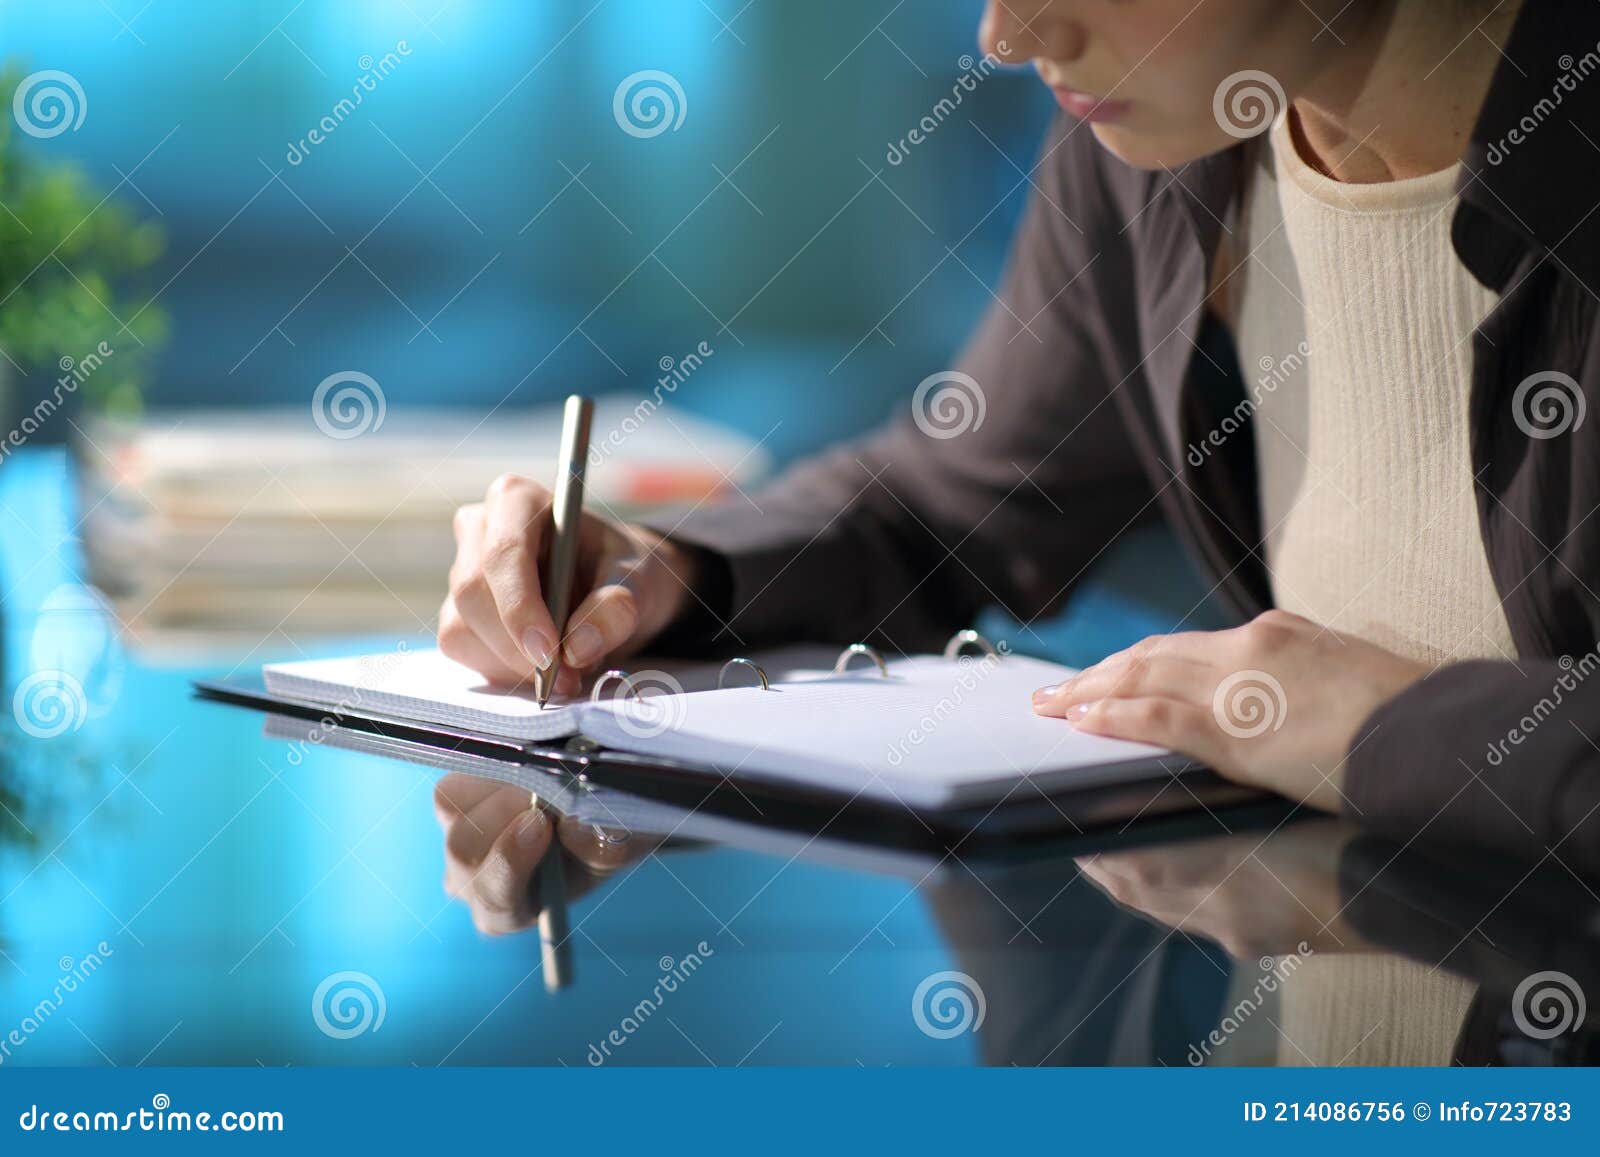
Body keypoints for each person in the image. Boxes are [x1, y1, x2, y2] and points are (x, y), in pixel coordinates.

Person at [438, 0, 1600, 875]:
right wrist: (669, 567)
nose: (1006, 33)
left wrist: (1395, 728)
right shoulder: (1161, 153)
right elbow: (951, 502)